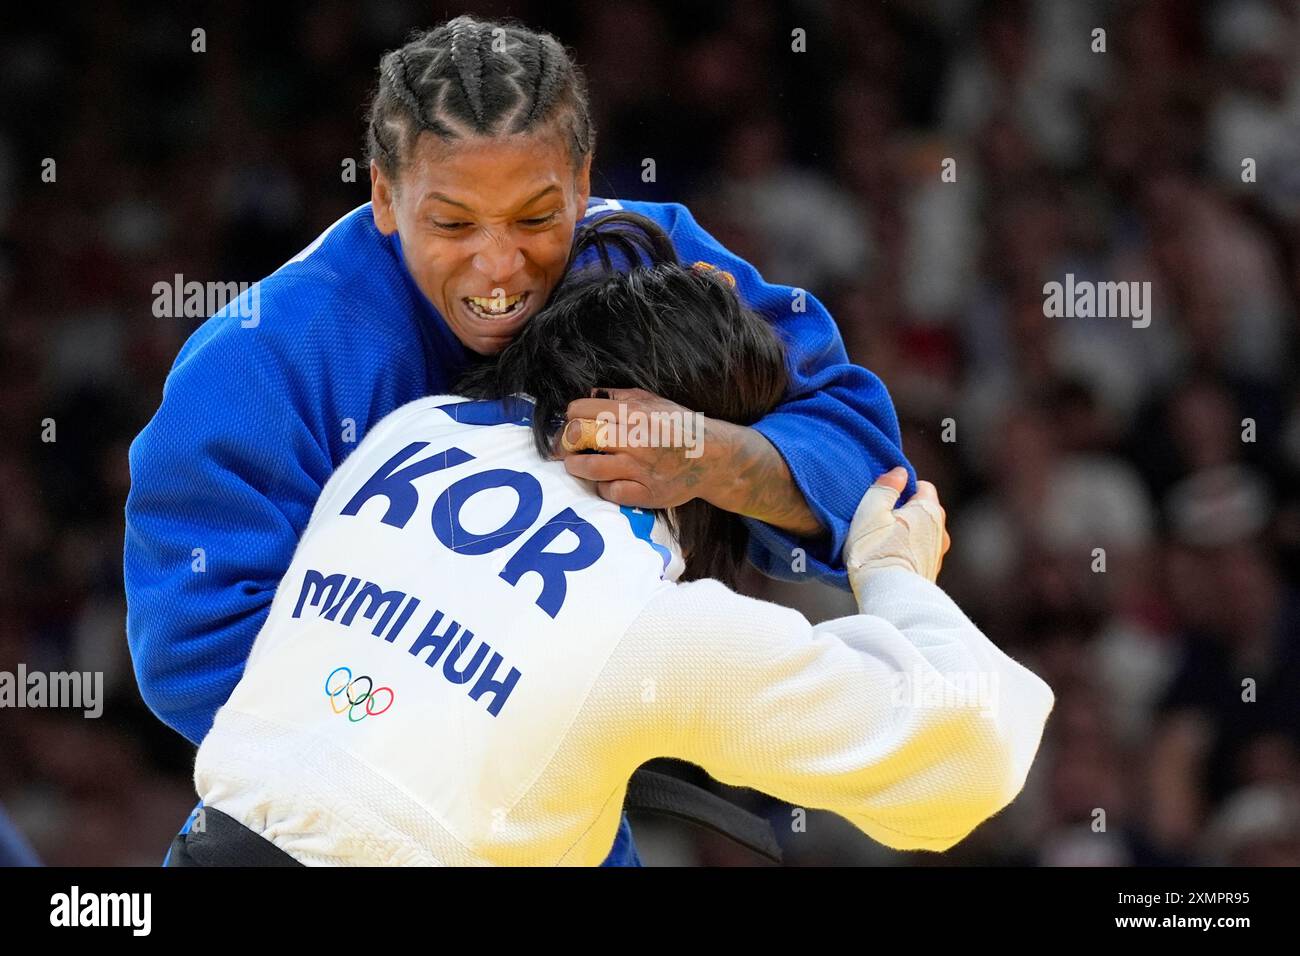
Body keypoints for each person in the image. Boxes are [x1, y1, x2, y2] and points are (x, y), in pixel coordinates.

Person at [124, 16, 915, 866]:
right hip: (327, 829)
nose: (500, 268)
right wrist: (483, 714)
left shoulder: (642, 262)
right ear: (385, 196)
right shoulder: (261, 360)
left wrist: (714, 457)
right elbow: (191, 646)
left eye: (537, 218)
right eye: (455, 225)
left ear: (581, 180)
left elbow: (864, 459)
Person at [166, 214, 1054, 866]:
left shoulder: (408, 434)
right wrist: (895, 574)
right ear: (696, 452)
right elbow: (969, 757)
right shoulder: (648, 625)